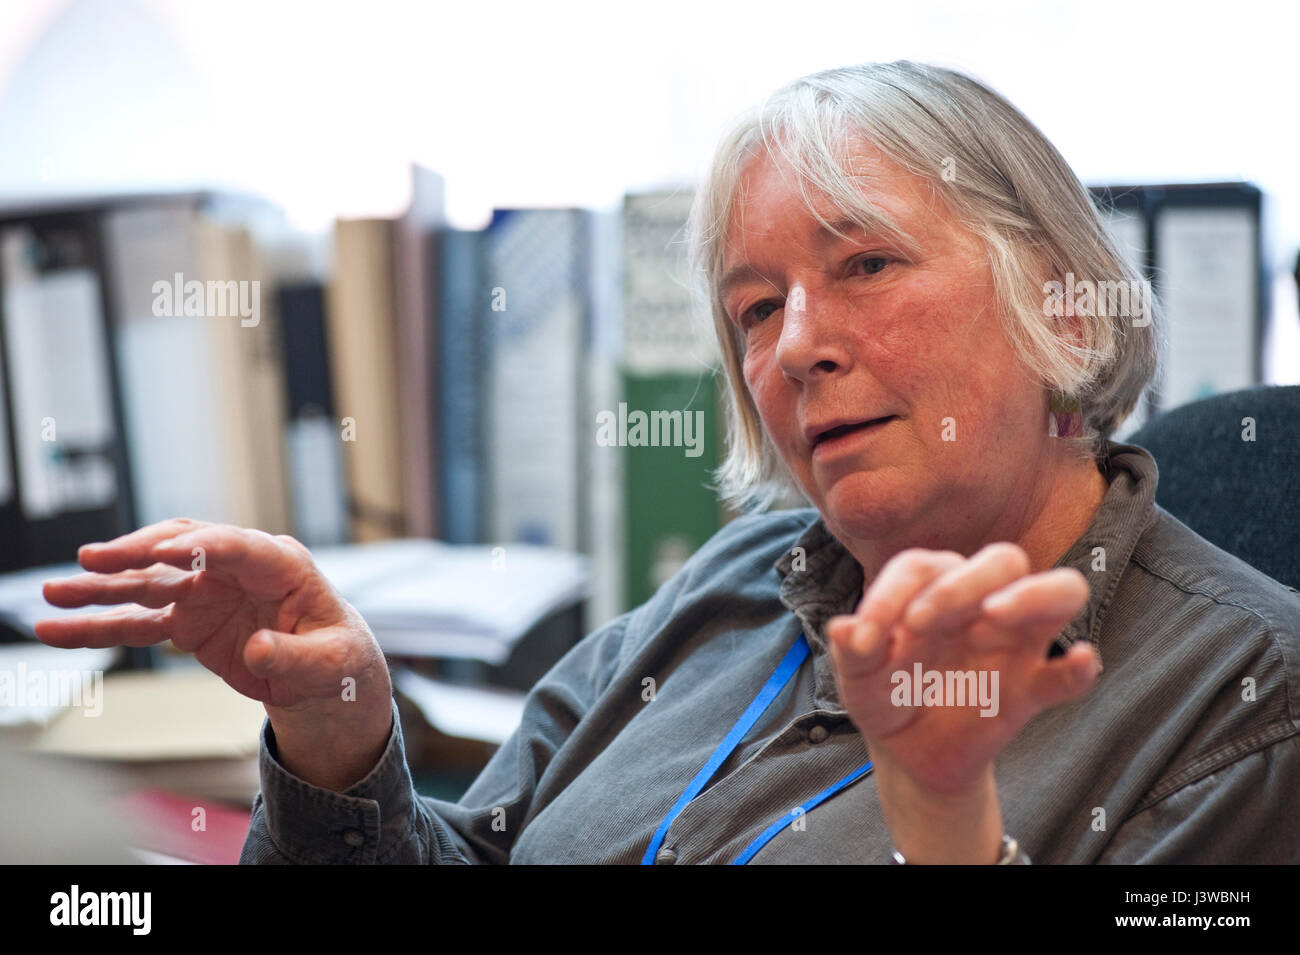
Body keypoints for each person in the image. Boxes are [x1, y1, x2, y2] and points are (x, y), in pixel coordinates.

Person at [37, 60, 1300, 864]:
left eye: (865, 265)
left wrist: (942, 829)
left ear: (1066, 310)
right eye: (755, 309)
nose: (797, 345)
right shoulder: (743, 578)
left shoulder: (1243, 701)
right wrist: (338, 737)